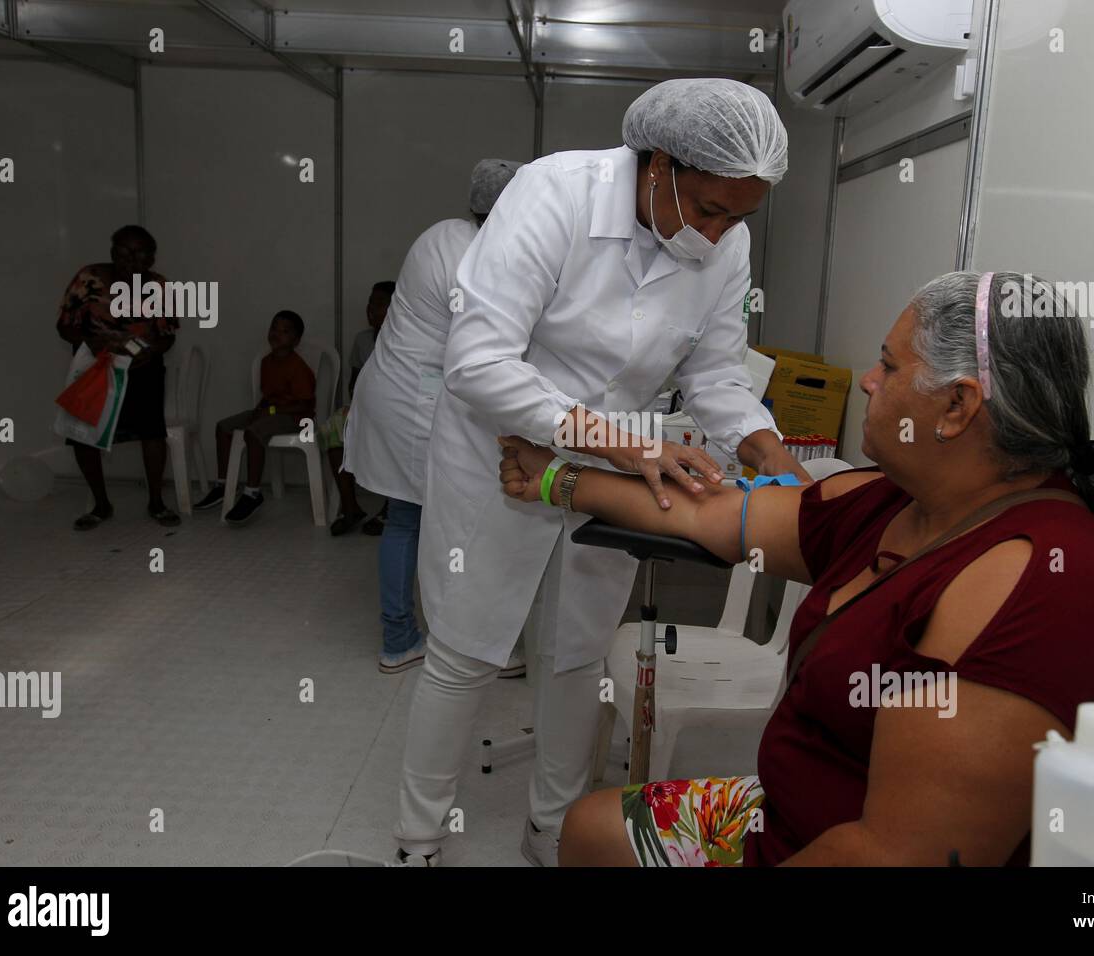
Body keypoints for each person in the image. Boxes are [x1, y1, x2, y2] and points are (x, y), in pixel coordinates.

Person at [497, 271, 1094, 867]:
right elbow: (717, 517)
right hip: (795, 815)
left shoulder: (1037, 590)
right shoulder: (901, 501)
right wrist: (557, 478)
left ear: (959, 407)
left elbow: (893, 855)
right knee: (589, 829)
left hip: (848, 843)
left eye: (887, 365)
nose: (870, 382)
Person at [390, 79, 807, 868]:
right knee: (468, 648)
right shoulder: (555, 194)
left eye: (740, 217)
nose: (720, 236)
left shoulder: (725, 243)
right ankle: (418, 840)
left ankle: (551, 831)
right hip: (499, 452)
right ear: (657, 166)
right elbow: (478, 362)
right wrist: (627, 445)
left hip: (613, 467)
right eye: (711, 211)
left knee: (578, 654)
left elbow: (717, 375)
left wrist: (768, 449)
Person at [344, 159, 524, 675]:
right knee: (450, 519)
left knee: (411, 517)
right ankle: (462, 644)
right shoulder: (483, 256)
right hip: (417, 399)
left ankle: (406, 637)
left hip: (396, 386)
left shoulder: (445, 232)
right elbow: (490, 348)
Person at [55, 225, 180, 529]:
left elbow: (167, 335)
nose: (130, 259)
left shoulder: (159, 285)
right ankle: (100, 505)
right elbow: (64, 326)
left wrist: (152, 352)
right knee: (84, 435)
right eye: (123, 251)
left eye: (139, 253)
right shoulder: (89, 277)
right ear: (112, 252)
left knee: (152, 433)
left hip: (142, 369)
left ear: (151, 258)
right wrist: (92, 342)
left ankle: (156, 502)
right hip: (94, 369)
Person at [193, 311, 315, 525]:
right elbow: (268, 398)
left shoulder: (298, 367)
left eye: (285, 331)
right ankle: (222, 485)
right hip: (272, 412)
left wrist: (269, 413)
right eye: (274, 328)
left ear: (295, 341)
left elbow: (304, 404)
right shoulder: (266, 362)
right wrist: (262, 411)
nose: (277, 334)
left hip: (297, 418)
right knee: (223, 427)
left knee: (254, 431)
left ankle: (252, 493)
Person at [320, 280, 395, 536]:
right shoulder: (362, 340)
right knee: (333, 427)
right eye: (370, 303)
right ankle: (350, 507)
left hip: (396, 410)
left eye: (378, 304)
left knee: (396, 435)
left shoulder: (405, 341)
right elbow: (354, 381)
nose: (370, 309)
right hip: (364, 407)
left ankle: (390, 508)